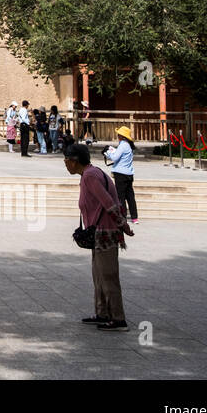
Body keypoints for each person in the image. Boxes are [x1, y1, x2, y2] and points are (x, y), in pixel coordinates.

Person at [64, 142, 132, 331]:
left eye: (66, 160)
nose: (65, 164)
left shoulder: (91, 176)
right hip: (98, 232)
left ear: (74, 161)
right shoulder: (89, 174)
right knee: (99, 275)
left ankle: (118, 318)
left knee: (108, 275)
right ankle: (103, 312)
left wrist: (123, 224)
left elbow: (109, 202)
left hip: (106, 232)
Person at [105, 125, 139, 223]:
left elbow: (115, 158)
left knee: (120, 197)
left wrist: (108, 153)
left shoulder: (123, 144)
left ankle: (122, 216)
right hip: (129, 174)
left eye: (118, 134)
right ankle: (134, 217)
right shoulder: (129, 145)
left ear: (121, 136)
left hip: (120, 174)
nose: (117, 136)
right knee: (130, 197)